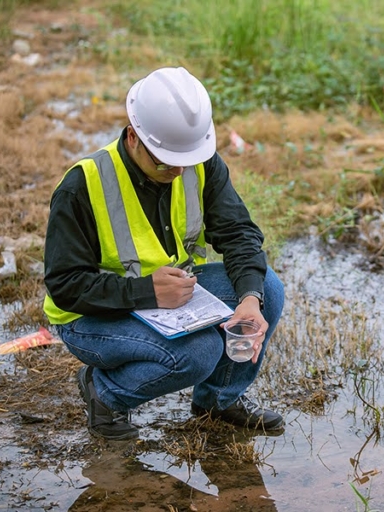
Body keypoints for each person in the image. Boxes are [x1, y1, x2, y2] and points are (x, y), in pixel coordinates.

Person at [42, 66, 285, 440]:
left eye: (183, 160)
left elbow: (238, 233)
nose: (175, 170)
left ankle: (218, 400)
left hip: (170, 298)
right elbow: (65, 285)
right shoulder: (82, 186)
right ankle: (104, 393)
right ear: (133, 137)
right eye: (163, 161)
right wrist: (145, 292)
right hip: (90, 318)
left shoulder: (197, 161)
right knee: (199, 352)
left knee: (267, 289)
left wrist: (250, 300)